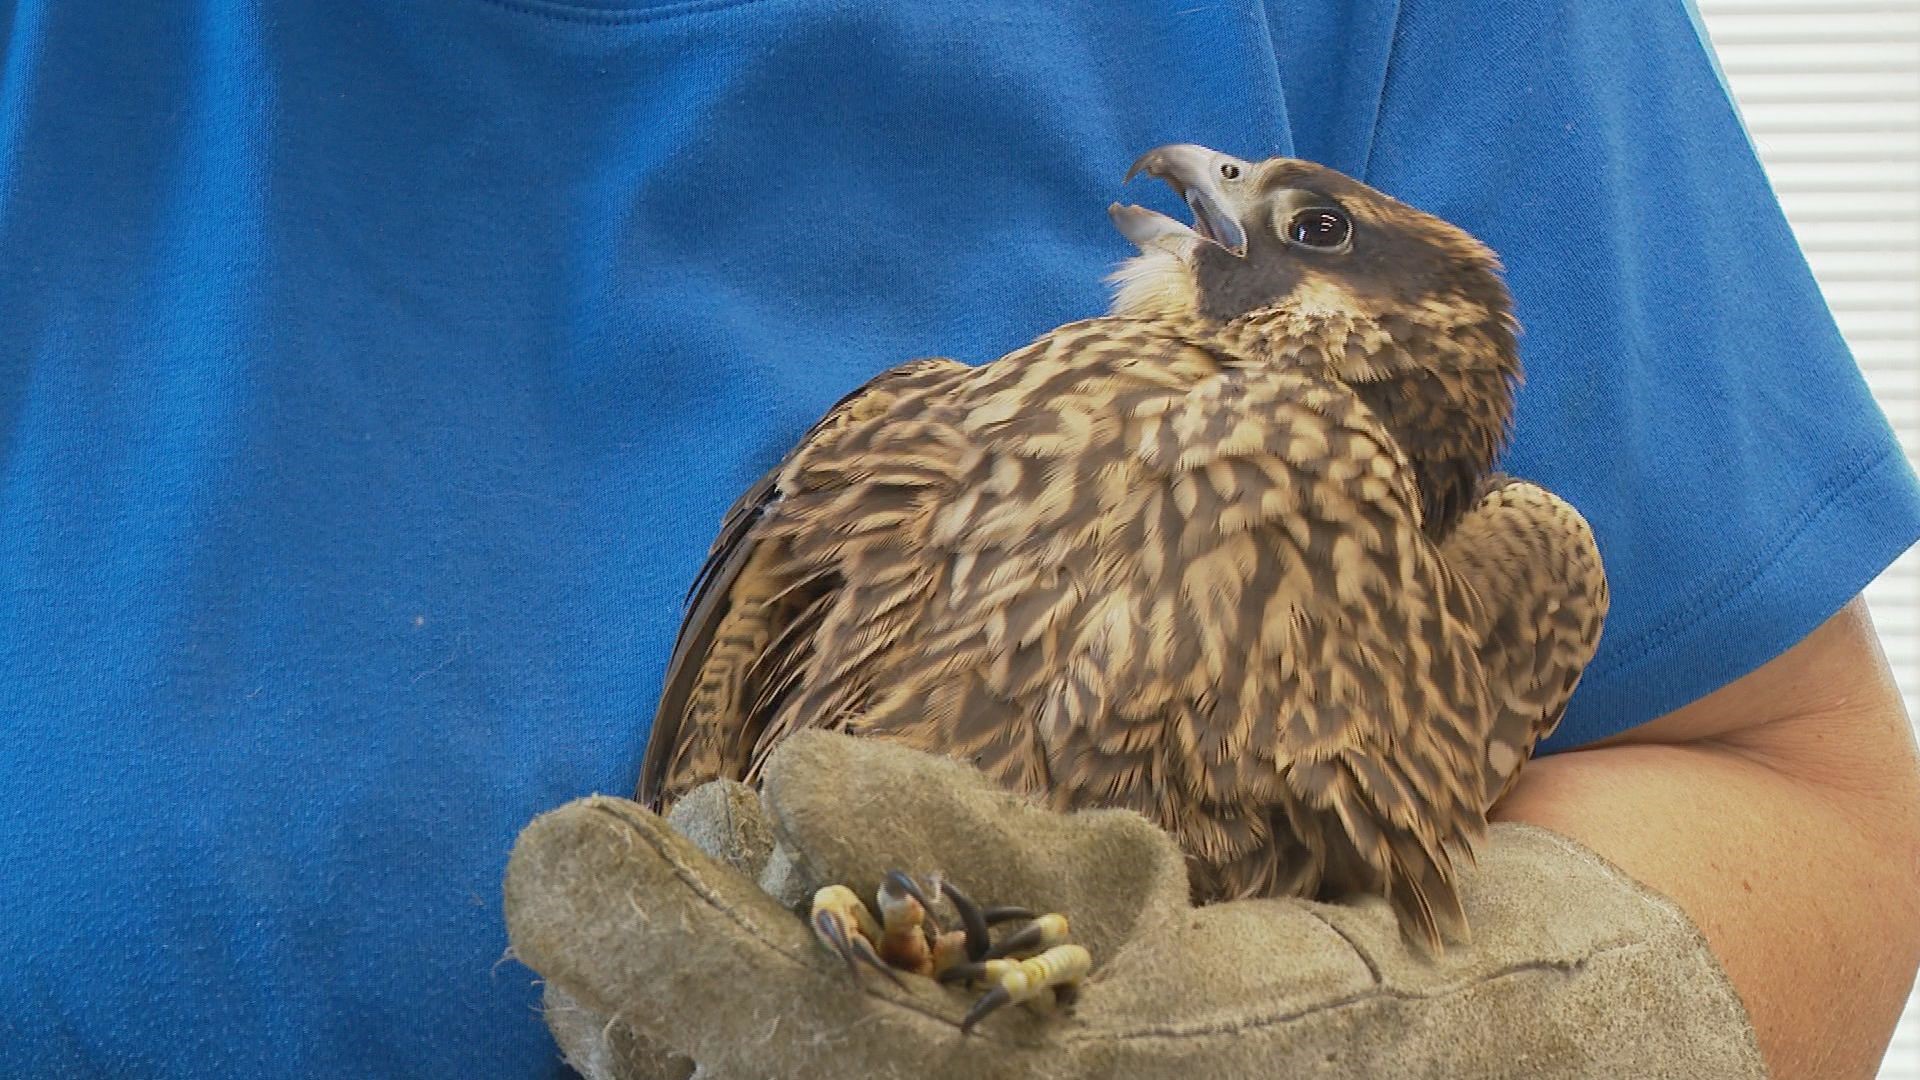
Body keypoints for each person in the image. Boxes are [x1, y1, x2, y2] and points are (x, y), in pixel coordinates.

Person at [2, 1, 1916, 1077]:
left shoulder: (1489, 550)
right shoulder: (922, 441)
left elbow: (1791, 787)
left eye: (1293, 230)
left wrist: (1401, 1033)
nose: (1210, 200)